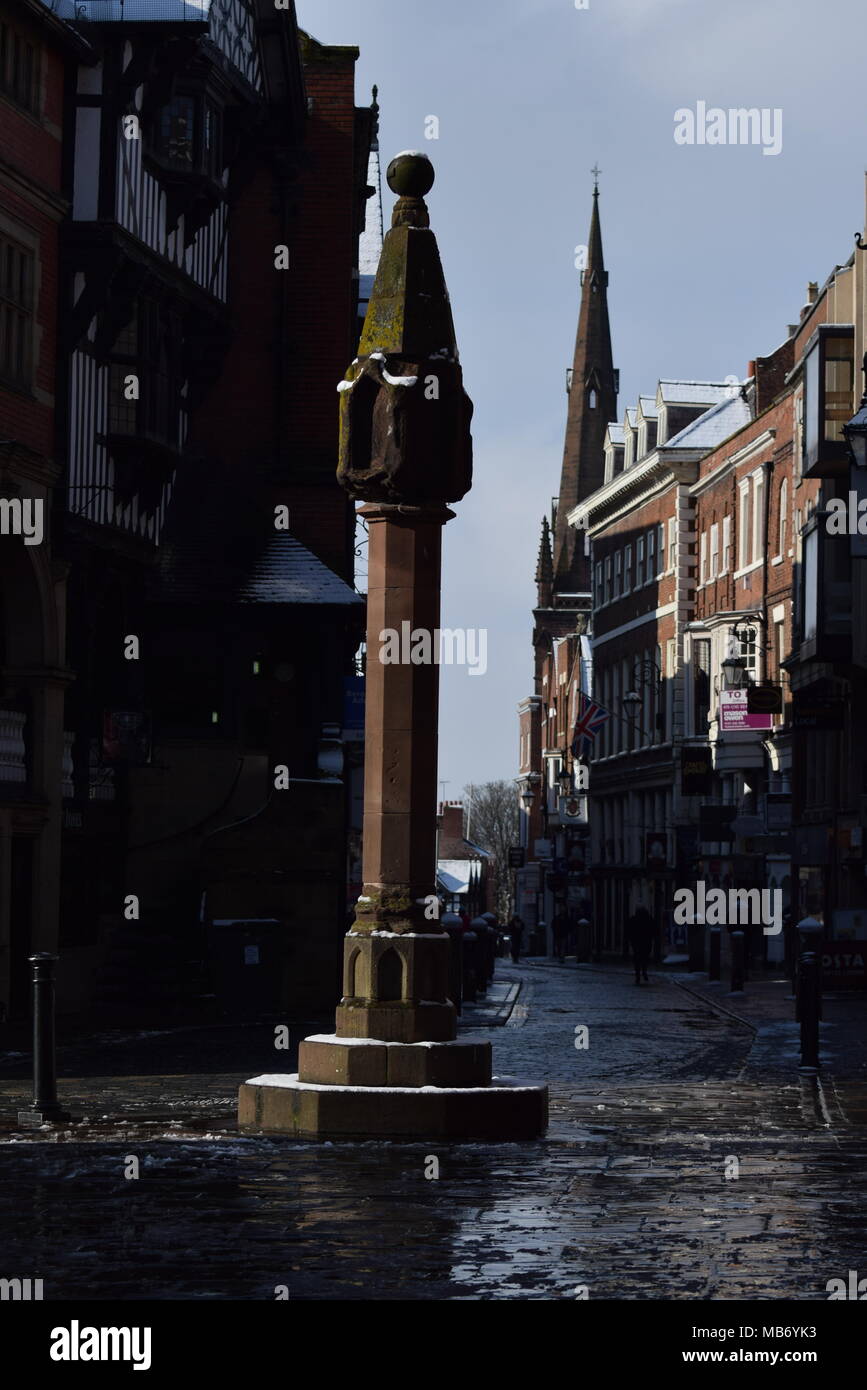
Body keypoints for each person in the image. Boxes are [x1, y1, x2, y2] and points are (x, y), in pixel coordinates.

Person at [626, 903, 655, 984]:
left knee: (637, 959)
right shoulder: (649, 919)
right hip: (646, 942)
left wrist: (631, 939)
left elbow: (629, 930)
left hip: (637, 942)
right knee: (645, 958)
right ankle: (644, 971)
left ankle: (638, 974)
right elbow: (654, 930)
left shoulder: (633, 919)